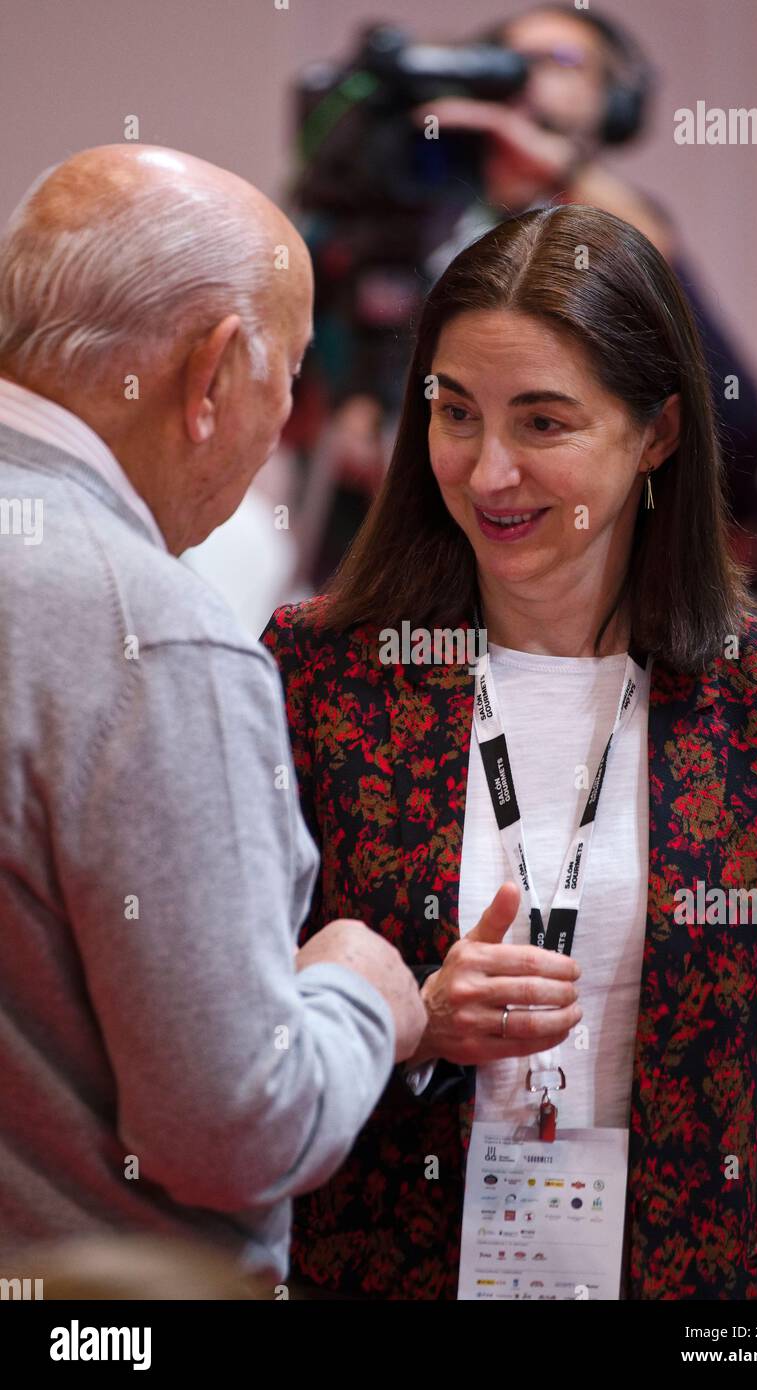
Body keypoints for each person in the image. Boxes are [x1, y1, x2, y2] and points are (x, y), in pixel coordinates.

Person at [263, 203, 757, 1300]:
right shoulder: (320, 672)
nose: (487, 472)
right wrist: (410, 1024)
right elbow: (229, 1038)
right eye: (454, 414)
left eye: (542, 423)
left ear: (658, 432)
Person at [0, 145, 426, 1281]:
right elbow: (232, 1129)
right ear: (216, 372)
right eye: (286, 376)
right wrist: (363, 994)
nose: (284, 421)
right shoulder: (152, 634)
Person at [293, 4, 757, 590]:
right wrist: (353, 400)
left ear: (615, 104)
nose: (528, 74)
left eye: (561, 60)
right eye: (513, 58)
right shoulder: (406, 213)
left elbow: (736, 416)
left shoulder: (618, 223)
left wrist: (551, 165)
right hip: (393, 566)